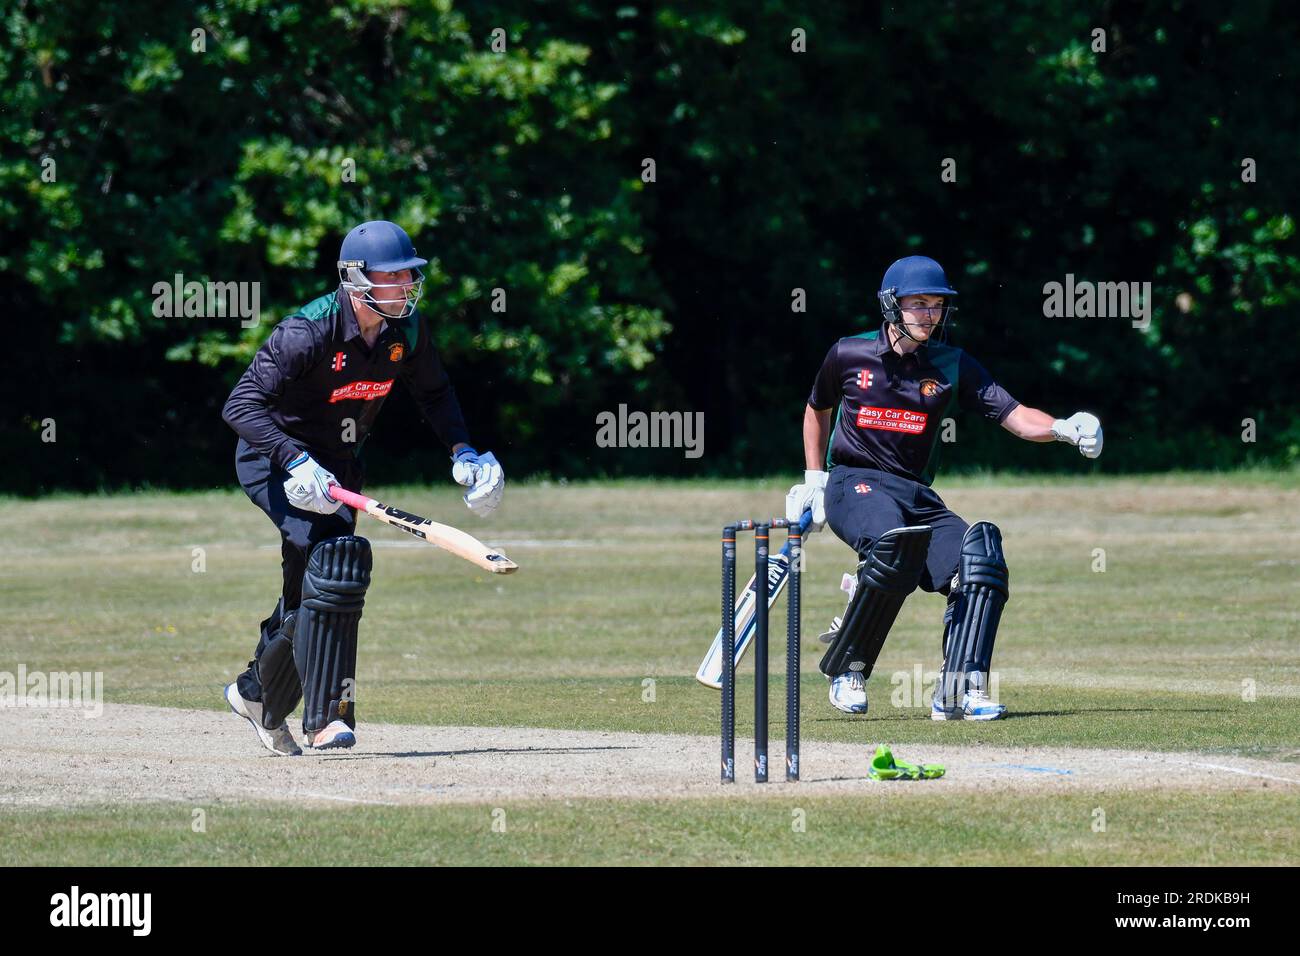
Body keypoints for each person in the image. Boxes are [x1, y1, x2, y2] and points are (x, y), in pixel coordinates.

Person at [220, 220, 504, 754]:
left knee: (309, 589)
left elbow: (436, 394)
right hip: (272, 457)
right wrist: (294, 460)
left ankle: (256, 691)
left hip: (339, 465)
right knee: (336, 563)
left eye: (409, 275)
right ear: (355, 279)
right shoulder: (307, 333)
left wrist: (464, 451)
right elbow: (239, 407)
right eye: (394, 275)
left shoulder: (407, 332)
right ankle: (327, 718)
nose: (406, 286)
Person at [785, 255, 1103, 720]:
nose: (929, 315)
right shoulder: (848, 354)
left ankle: (959, 688)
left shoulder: (952, 364)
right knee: (894, 546)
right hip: (853, 483)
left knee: (980, 562)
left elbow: (1013, 415)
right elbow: (817, 409)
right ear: (891, 305)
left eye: (936, 306)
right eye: (918, 305)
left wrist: (1063, 428)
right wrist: (814, 479)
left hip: (915, 493)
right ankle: (849, 669)